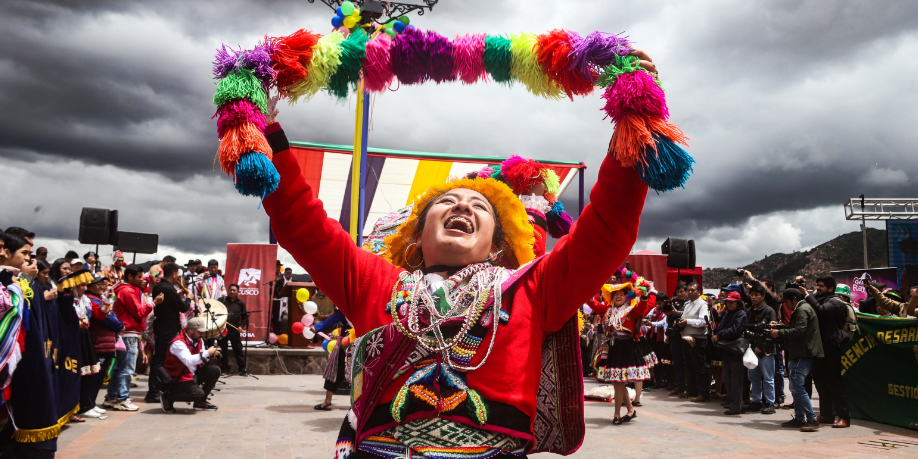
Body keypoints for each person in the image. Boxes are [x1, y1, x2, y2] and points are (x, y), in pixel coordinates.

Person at [259, 57, 654, 455]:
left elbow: (606, 228)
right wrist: (262, 127)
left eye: (479, 207)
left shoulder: (532, 290)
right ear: (416, 237)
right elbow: (301, 222)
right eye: (447, 201)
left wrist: (634, 118)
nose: (462, 207)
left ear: (499, 246)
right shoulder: (373, 284)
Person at [589, 269, 657, 424]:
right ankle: (630, 410)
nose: (618, 296)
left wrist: (644, 292)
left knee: (620, 382)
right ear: (612, 298)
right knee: (618, 381)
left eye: (621, 294)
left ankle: (617, 414)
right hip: (614, 348)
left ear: (628, 296)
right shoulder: (607, 311)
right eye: (615, 294)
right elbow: (591, 303)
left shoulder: (633, 310)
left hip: (628, 348)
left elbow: (645, 304)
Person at [104, 265, 160, 411]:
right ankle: (122, 398)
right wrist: (154, 303)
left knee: (119, 367)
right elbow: (139, 312)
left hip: (127, 332)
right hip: (129, 333)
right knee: (127, 368)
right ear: (130, 277)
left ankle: (111, 397)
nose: (142, 280)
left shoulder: (124, 290)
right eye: (139, 277)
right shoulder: (127, 291)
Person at [773, 289, 823, 432]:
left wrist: (779, 333)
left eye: (786, 302)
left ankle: (812, 419)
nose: (786, 306)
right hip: (801, 352)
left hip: (803, 353)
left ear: (794, 299)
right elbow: (798, 329)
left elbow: (800, 330)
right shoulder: (803, 308)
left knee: (798, 387)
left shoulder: (802, 309)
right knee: (796, 387)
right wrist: (781, 327)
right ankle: (800, 417)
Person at [804, 277, 851, 428]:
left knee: (834, 382)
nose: (818, 288)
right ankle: (826, 414)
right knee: (820, 381)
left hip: (832, 347)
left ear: (831, 289)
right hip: (819, 347)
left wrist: (806, 294)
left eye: (821, 286)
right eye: (817, 285)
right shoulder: (819, 299)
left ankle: (844, 417)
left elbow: (821, 311)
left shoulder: (835, 302)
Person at [145, 262, 191, 403]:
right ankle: (153, 391)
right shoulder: (168, 288)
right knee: (160, 360)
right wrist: (188, 298)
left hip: (162, 328)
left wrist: (178, 294)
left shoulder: (160, 286)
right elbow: (182, 307)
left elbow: (169, 302)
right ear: (174, 274)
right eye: (178, 274)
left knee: (159, 360)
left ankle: (157, 388)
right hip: (168, 329)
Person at [81, 274, 123, 418]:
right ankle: (86, 405)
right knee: (93, 377)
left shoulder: (99, 299)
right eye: (98, 284)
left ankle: (91, 403)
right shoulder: (90, 300)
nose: (102, 287)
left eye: (104, 284)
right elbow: (106, 318)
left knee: (99, 377)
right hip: (98, 342)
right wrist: (120, 325)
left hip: (105, 342)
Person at [159, 317, 221, 413]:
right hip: (178, 378)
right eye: (200, 332)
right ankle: (168, 397)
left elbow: (201, 358)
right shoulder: (178, 343)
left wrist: (210, 356)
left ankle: (200, 403)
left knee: (215, 370)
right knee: (197, 394)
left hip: (192, 374)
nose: (202, 334)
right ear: (191, 330)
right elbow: (188, 360)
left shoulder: (199, 340)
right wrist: (207, 353)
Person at [711, 291, 747, 415]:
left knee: (736, 379)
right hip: (726, 350)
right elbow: (721, 328)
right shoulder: (727, 313)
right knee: (727, 378)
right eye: (728, 302)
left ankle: (736, 406)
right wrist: (715, 331)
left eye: (732, 302)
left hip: (735, 350)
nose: (729, 304)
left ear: (738, 302)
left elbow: (735, 330)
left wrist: (719, 335)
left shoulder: (741, 314)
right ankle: (732, 401)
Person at [746, 284, 778, 414]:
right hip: (751, 349)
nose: (753, 297)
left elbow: (771, 332)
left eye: (756, 295)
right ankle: (756, 401)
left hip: (767, 350)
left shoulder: (769, 311)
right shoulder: (749, 311)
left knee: (768, 378)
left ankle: (770, 402)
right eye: (752, 295)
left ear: (763, 296)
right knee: (753, 377)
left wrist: (760, 347)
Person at [311, 306, 350, 411]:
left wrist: (316, 327)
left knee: (335, 370)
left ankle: (327, 402)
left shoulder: (346, 308)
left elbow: (331, 321)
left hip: (347, 344)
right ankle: (358, 404)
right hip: (359, 342)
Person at [677, 283, 711, 402]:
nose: (690, 292)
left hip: (697, 339)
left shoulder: (703, 305)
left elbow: (703, 322)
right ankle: (692, 391)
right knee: (689, 366)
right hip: (687, 338)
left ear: (699, 292)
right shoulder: (688, 305)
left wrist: (687, 321)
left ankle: (703, 393)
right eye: (689, 290)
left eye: (693, 290)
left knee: (699, 367)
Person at [217, 284, 247, 375]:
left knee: (238, 349)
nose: (232, 292)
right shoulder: (222, 300)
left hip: (234, 329)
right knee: (223, 349)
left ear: (238, 292)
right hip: (223, 329)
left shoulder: (240, 303)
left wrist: (241, 326)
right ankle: (224, 369)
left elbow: (245, 317)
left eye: (234, 290)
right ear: (228, 290)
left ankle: (242, 369)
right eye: (230, 290)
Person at [668, 283, 688, 397]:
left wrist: (675, 312)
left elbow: (686, 314)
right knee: (677, 363)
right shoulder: (674, 303)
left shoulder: (688, 303)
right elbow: (669, 320)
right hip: (674, 336)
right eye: (678, 292)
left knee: (687, 363)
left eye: (682, 292)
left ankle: (688, 387)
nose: (680, 294)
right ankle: (680, 387)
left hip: (685, 336)